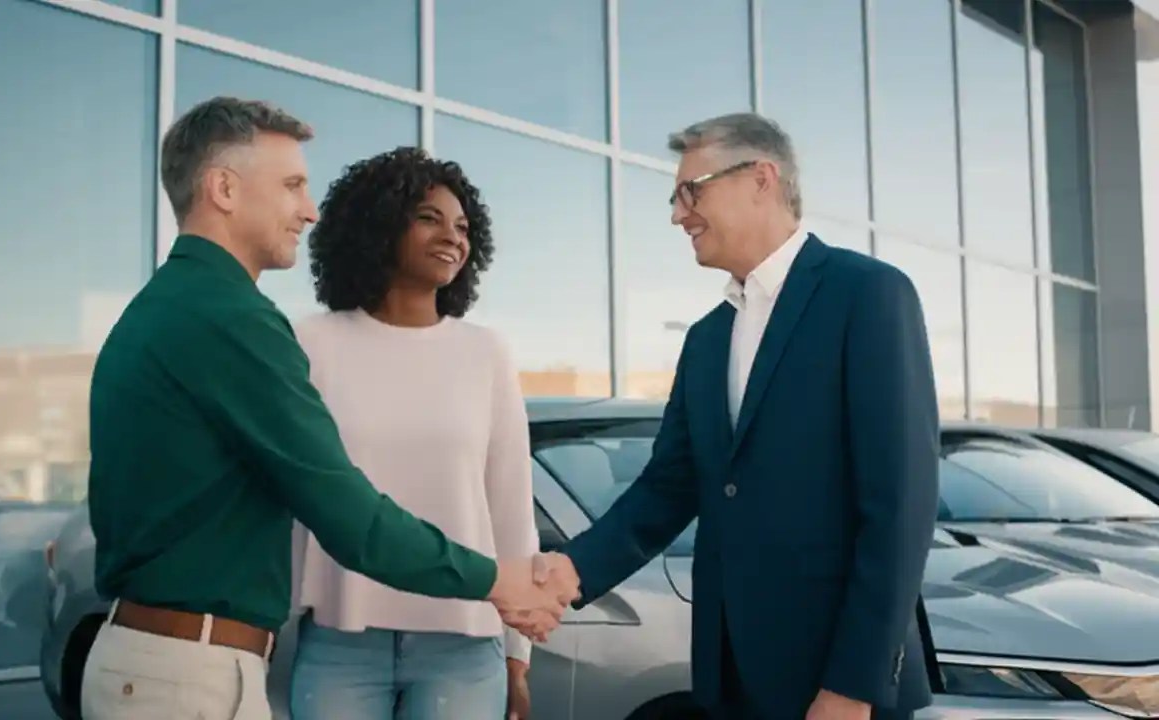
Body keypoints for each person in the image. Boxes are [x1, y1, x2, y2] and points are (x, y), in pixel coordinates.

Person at [81, 97, 568, 720]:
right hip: (188, 675)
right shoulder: (231, 321)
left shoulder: (175, 306)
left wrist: (511, 641)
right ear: (224, 189)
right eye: (291, 186)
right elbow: (343, 512)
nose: (307, 210)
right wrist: (502, 584)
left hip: (175, 666)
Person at [538, 113, 940, 719]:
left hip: (836, 687)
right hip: (728, 681)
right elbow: (667, 487)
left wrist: (854, 685)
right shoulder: (706, 337)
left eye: (689, 192)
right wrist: (571, 570)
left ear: (760, 178)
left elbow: (901, 508)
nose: (678, 214)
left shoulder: (868, 296)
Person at [286, 146, 539, 720]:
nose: (453, 236)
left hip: (466, 647)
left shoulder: (486, 352)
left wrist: (517, 656)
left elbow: (510, 508)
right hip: (339, 641)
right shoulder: (311, 343)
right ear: (377, 225)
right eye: (429, 218)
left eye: (462, 226)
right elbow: (292, 498)